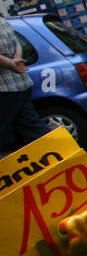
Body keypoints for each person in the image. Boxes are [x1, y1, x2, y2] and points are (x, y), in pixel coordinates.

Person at [0, 15, 49, 156]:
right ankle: (62, 157)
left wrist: (11, 64)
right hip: (20, 84)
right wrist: (16, 60)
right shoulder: (3, 21)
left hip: (4, 88)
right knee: (33, 129)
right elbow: (16, 43)